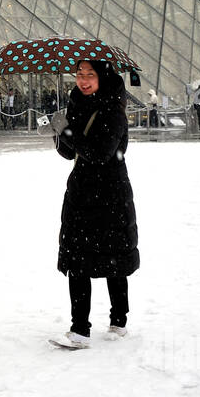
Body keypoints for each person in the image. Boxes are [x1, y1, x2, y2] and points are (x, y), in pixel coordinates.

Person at [50, 59, 140, 348]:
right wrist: (58, 131)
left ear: (103, 77)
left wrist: (68, 132)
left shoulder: (113, 111)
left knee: (113, 259)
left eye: (90, 74)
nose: (83, 80)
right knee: (78, 260)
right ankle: (79, 328)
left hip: (110, 194)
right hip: (81, 192)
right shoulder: (76, 106)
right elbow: (70, 152)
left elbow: (100, 153)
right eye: (79, 75)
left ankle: (119, 319)